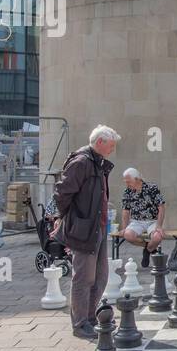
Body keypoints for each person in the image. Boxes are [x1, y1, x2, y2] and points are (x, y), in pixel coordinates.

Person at [54, 125, 119, 339]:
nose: (112, 149)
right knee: (83, 277)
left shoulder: (97, 163)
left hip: (98, 227)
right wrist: (68, 218)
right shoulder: (81, 162)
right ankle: (80, 323)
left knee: (100, 276)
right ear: (100, 142)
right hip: (83, 228)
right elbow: (62, 193)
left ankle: (92, 318)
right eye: (111, 146)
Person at [120, 168, 166, 267]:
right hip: (136, 221)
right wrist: (124, 228)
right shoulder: (127, 191)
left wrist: (159, 226)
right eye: (126, 182)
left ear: (137, 179)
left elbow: (161, 207)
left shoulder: (152, 188)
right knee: (127, 235)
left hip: (153, 221)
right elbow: (125, 210)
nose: (127, 184)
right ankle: (149, 247)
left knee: (158, 237)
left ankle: (147, 250)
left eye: (129, 182)